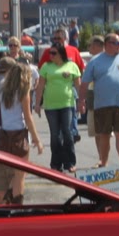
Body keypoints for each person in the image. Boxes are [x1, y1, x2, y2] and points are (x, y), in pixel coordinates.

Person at [81, 32, 119, 168]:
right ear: (107, 44)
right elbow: (84, 83)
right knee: (104, 135)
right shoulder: (95, 61)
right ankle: (104, 163)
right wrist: (81, 102)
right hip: (102, 105)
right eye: (116, 43)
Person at [0, 53, 43, 204]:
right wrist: (36, 140)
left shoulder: (2, 92)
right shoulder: (22, 93)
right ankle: (16, 203)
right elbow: (28, 117)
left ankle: (3, 200)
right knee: (19, 175)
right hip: (19, 135)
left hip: (4, 135)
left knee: (4, 174)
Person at [35, 43, 81, 174]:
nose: (51, 55)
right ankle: (56, 164)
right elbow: (40, 86)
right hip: (51, 105)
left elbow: (78, 85)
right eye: (50, 53)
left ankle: (70, 162)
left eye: (54, 53)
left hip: (67, 103)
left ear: (61, 54)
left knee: (67, 132)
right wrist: (37, 104)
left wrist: (82, 102)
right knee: (55, 134)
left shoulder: (71, 66)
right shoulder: (46, 66)